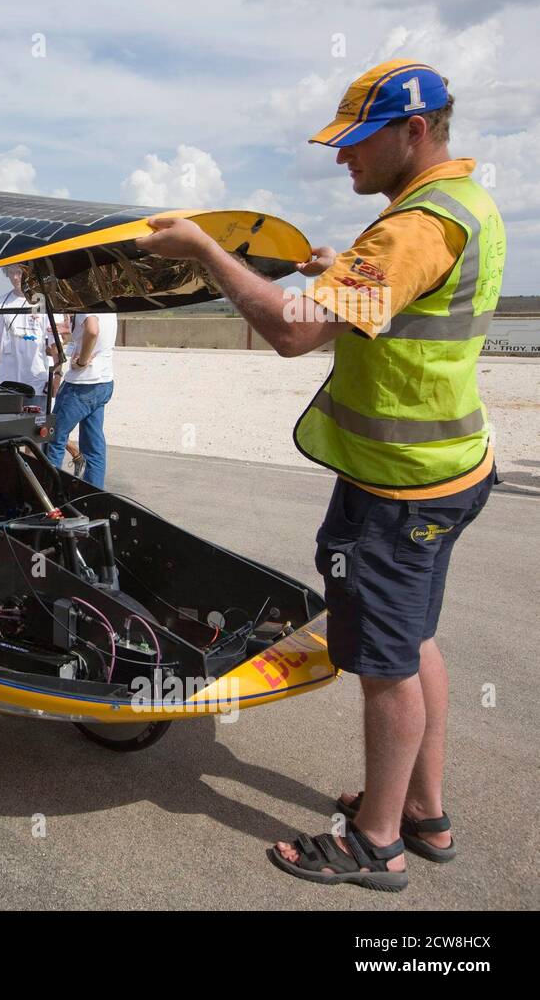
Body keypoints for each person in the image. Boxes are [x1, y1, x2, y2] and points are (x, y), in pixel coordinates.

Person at [136, 60, 502, 892]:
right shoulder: (461, 207)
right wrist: (343, 276)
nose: (343, 161)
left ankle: (375, 843)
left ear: (415, 132)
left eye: (356, 144)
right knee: (411, 642)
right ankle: (421, 808)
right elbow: (405, 296)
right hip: (448, 469)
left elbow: (295, 335)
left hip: (398, 487)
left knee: (383, 661)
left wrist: (202, 251)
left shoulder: (411, 227)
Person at [42, 310, 117, 488]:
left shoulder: (87, 307)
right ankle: (94, 494)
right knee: (93, 445)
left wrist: (81, 361)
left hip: (82, 384)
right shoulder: (108, 308)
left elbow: (92, 330)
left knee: (53, 438)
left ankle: (48, 494)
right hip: (104, 381)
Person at [0, 264, 51, 409]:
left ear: (29, 272)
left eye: (19, 272)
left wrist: (56, 376)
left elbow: (54, 342)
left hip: (37, 384)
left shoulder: (42, 302)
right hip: (7, 384)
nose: (15, 277)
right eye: (11, 272)